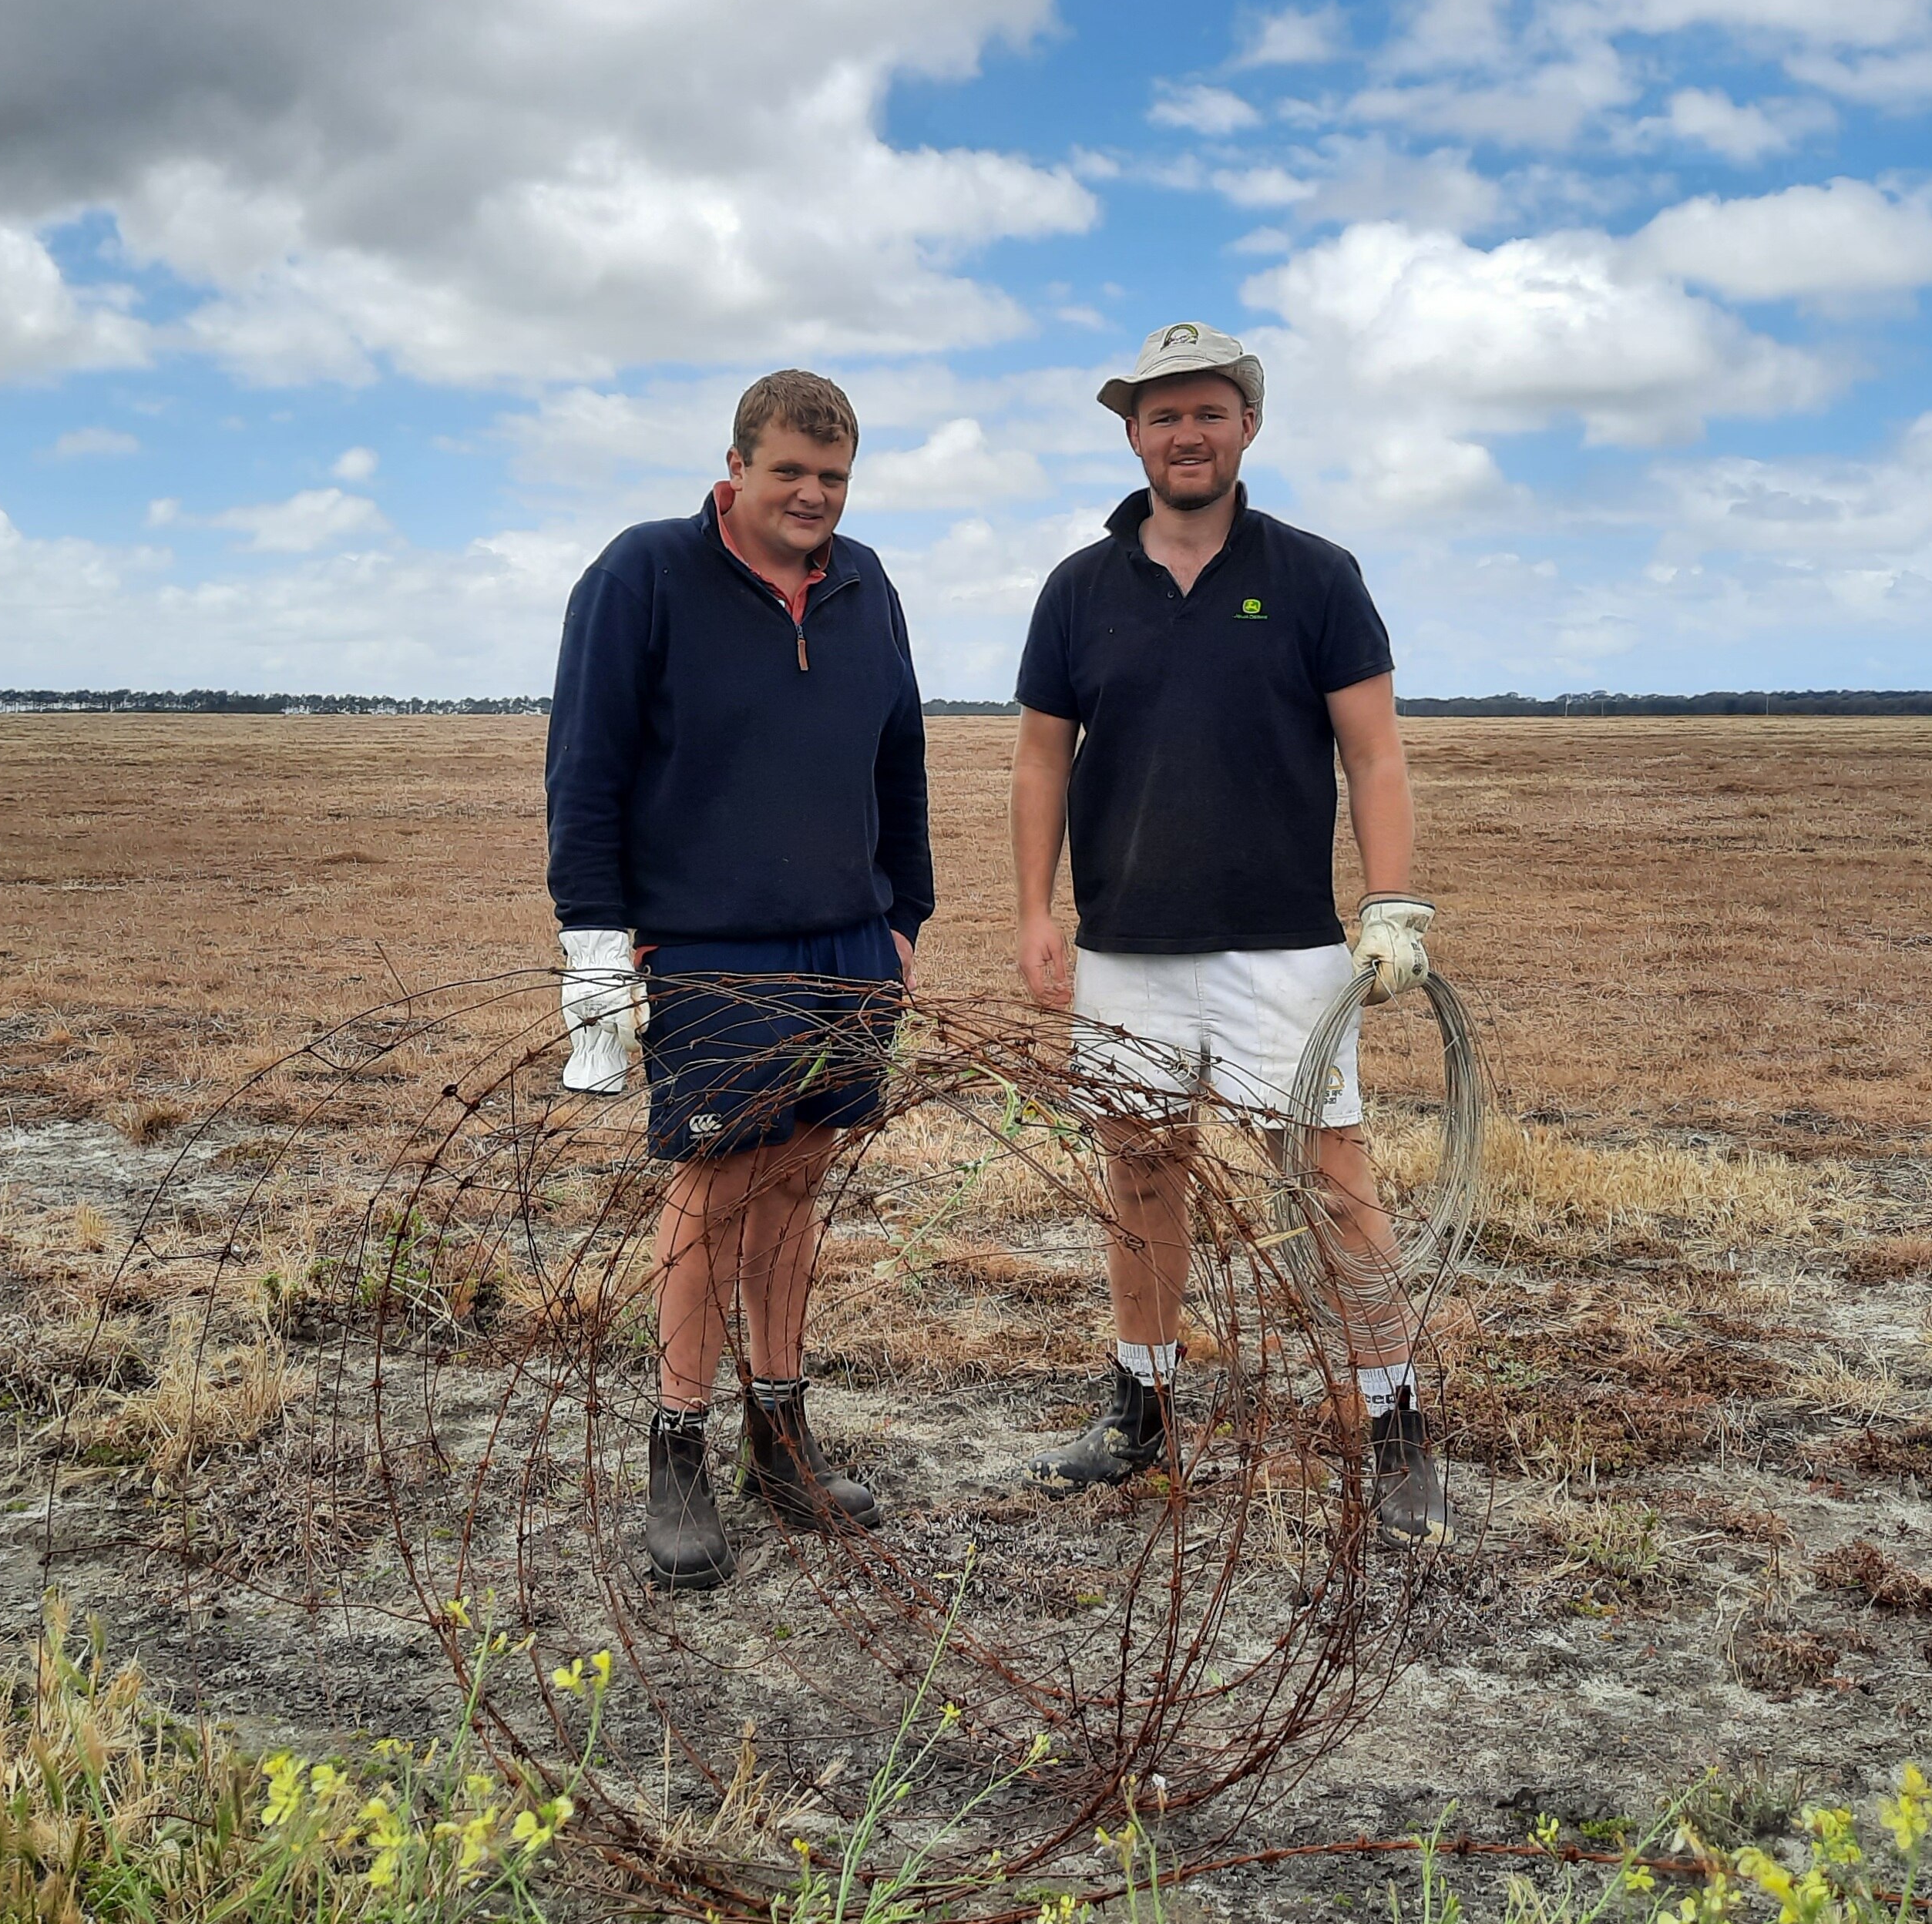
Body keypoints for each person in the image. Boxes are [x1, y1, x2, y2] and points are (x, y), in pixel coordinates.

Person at [1009, 321, 1454, 1548]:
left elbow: (1374, 751)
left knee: (1332, 1180)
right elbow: (1044, 761)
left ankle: (1395, 1422)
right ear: (1132, 433)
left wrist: (1391, 906)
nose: (1185, 434)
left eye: (1208, 411)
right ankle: (1137, 1409)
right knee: (1140, 1174)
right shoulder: (1078, 589)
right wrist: (1038, 913)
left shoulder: (1316, 574)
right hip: (1127, 951)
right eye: (1162, 415)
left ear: (1247, 425)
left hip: (1283, 950)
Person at [546, 369, 933, 1591]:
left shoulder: (867, 587)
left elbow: (901, 758)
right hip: (712, 947)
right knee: (714, 1185)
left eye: (833, 478)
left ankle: (782, 1436)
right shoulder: (645, 574)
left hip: (848, 945)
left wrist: (905, 915)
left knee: (801, 1176)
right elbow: (586, 760)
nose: (813, 496)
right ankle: (678, 1445)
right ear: (736, 468)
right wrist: (595, 937)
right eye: (790, 474)